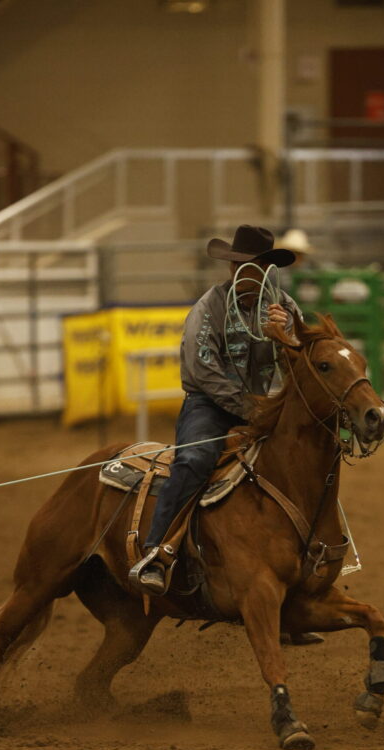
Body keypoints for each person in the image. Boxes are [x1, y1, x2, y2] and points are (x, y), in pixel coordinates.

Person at [128, 225, 299, 597]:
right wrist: (249, 408)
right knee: (194, 458)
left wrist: (286, 339)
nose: (243, 272)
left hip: (263, 407)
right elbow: (203, 370)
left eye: (252, 265)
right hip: (210, 406)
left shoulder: (284, 310)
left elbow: (301, 366)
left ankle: (306, 562)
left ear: (266, 269)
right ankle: (156, 552)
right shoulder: (210, 307)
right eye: (239, 264)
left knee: (302, 464)